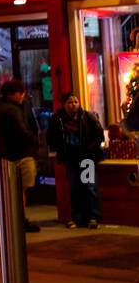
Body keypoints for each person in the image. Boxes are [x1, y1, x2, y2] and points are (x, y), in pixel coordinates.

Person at [48, 92, 104, 229]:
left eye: (75, 102)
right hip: (70, 158)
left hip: (86, 157)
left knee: (90, 186)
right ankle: (78, 218)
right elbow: (51, 137)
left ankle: (93, 217)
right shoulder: (58, 119)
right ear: (64, 105)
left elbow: (98, 135)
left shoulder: (87, 116)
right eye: (70, 102)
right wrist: (60, 148)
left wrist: (90, 149)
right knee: (74, 187)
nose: (73, 105)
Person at [0, 78, 41, 232]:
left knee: (15, 190)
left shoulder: (0, 109)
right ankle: (20, 220)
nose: (22, 96)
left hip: (7, 155)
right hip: (21, 154)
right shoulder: (13, 110)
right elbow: (22, 131)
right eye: (20, 93)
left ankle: (16, 219)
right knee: (20, 190)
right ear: (13, 94)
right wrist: (34, 141)